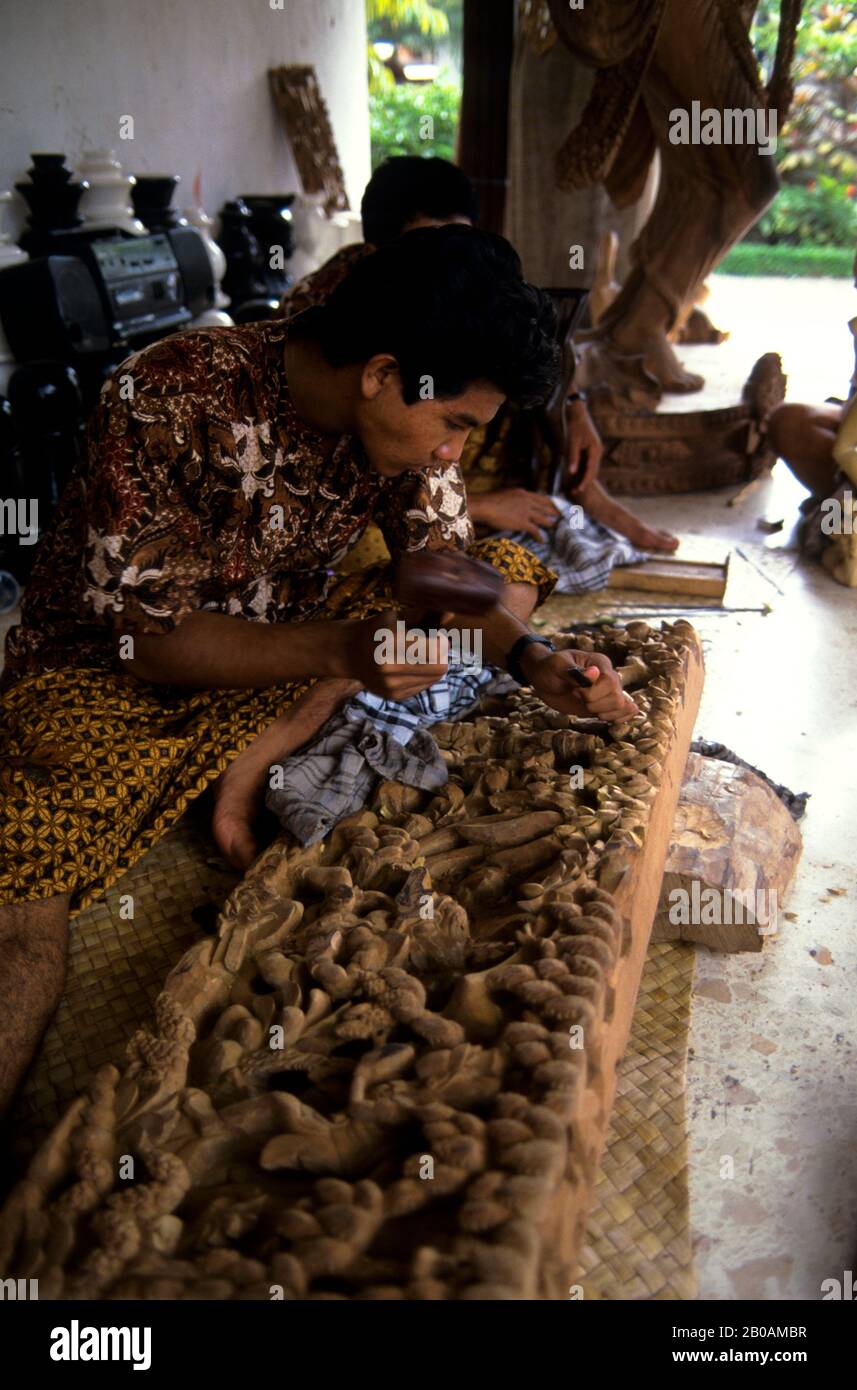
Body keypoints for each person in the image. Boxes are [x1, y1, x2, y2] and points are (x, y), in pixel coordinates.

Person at [0, 226, 636, 1111]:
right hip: (110, 673)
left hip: (288, 642)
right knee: (23, 863)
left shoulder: (400, 433)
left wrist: (534, 661)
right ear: (381, 373)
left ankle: (255, 748)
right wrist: (343, 654)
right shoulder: (166, 395)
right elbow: (146, 639)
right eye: (453, 425)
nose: (454, 453)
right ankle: (246, 755)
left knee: (511, 574)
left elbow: (445, 570)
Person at [284, 156, 678, 557]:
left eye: (456, 241)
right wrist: (479, 505)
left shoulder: (466, 279)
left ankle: (580, 496)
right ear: (377, 253)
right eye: (428, 246)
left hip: (428, 455)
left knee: (500, 367)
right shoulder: (322, 311)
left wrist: (572, 405)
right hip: (382, 475)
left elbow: (518, 341)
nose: (450, 264)